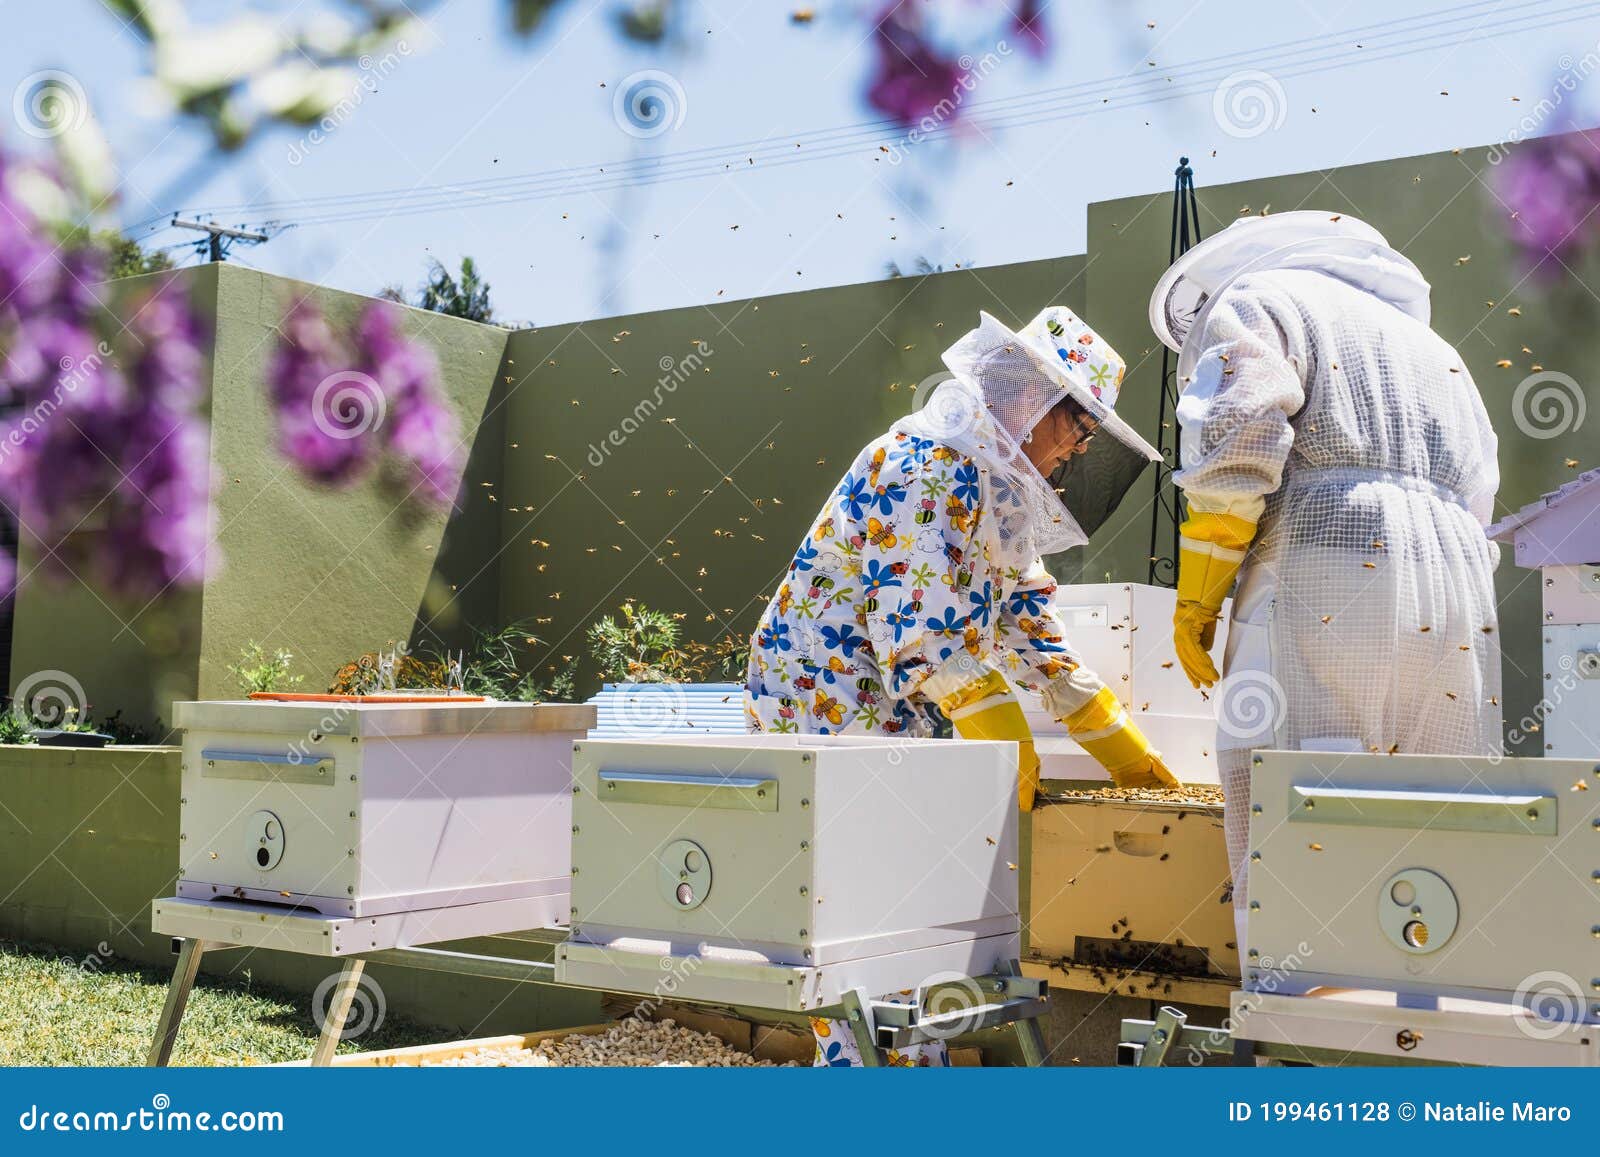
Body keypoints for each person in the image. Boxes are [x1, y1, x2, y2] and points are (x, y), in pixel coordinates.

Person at [746, 305, 1176, 1066]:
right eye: (1078, 428)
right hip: (823, 690)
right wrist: (1003, 736)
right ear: (1031, 399)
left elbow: (1027, 623)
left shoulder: (999, 490)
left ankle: (909, 1067)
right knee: (858, 899)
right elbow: (922, 632)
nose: (1077, 451)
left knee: (906, 891)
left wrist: (1113, 737)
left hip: (896, 703)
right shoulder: (924, 464)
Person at [1148, 211, 1503, 952]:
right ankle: (1430, 1028)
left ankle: (1301, 1023)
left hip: (1326, 566)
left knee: (1302, 812)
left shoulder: (1262, 298)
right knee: (1440, 820)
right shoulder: (1442, 353)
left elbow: (1237, 441)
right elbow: (1480, 503)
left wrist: (1200, 592)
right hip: (1460, 595)